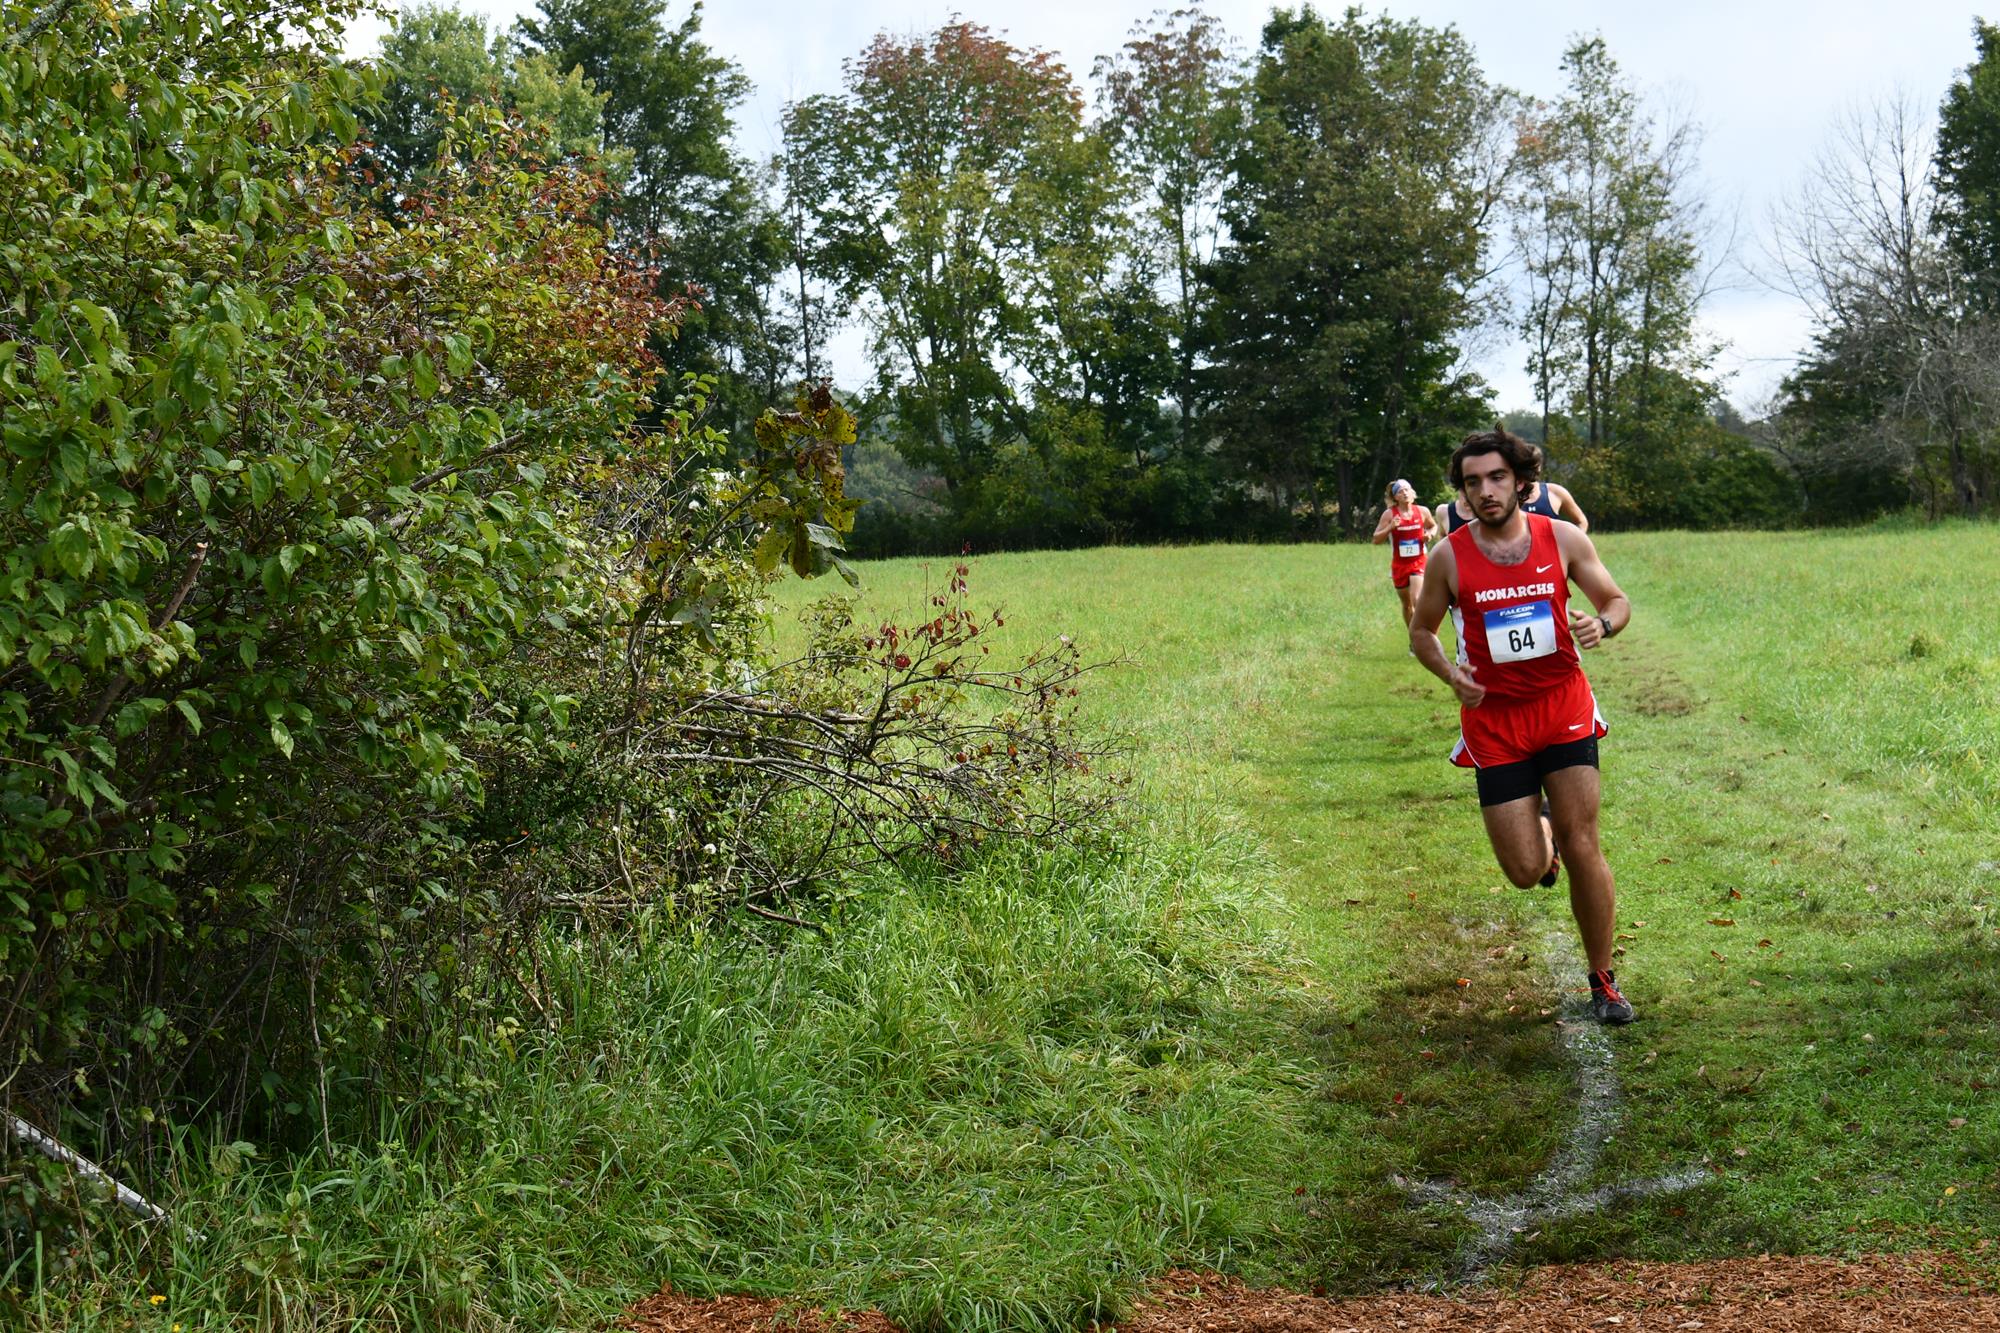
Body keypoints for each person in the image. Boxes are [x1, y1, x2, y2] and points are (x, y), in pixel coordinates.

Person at [1409, 425, 1635, 1025]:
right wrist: (1450, 677)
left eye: (1496, 477)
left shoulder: (1560, 539)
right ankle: (1543, 836)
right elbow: (1421, 632)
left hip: (1562, 707)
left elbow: (1617, 601)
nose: (1485, 491)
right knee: (1524, 871)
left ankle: (1604, 980)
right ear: (1461, 492)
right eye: (1472, 482)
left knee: (1584, 842)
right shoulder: (1448, 557)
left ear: (1520, 480)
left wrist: (1603, 626)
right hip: (1496, 723)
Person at [1434, 444, 1589, 535]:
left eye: (1534, 465)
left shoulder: (1555, 492)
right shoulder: (1503, 497)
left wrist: (1569, 547)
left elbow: (1581, 521)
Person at [1371, 479, 1439, 638]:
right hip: (1399, 564)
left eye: (1407, 489)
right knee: (1407, 605)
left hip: (1419, 561)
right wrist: (1390, 527)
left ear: (1413, 493)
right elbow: (1375, 539)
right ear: (1395, 497)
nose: (1405, 493)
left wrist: (1429, 534)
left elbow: (1433, 525)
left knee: (1417, 600)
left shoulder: (1422, 511)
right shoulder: (1389, 514)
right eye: (1401, 491)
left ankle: (1427, 637)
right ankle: (1414, 638)